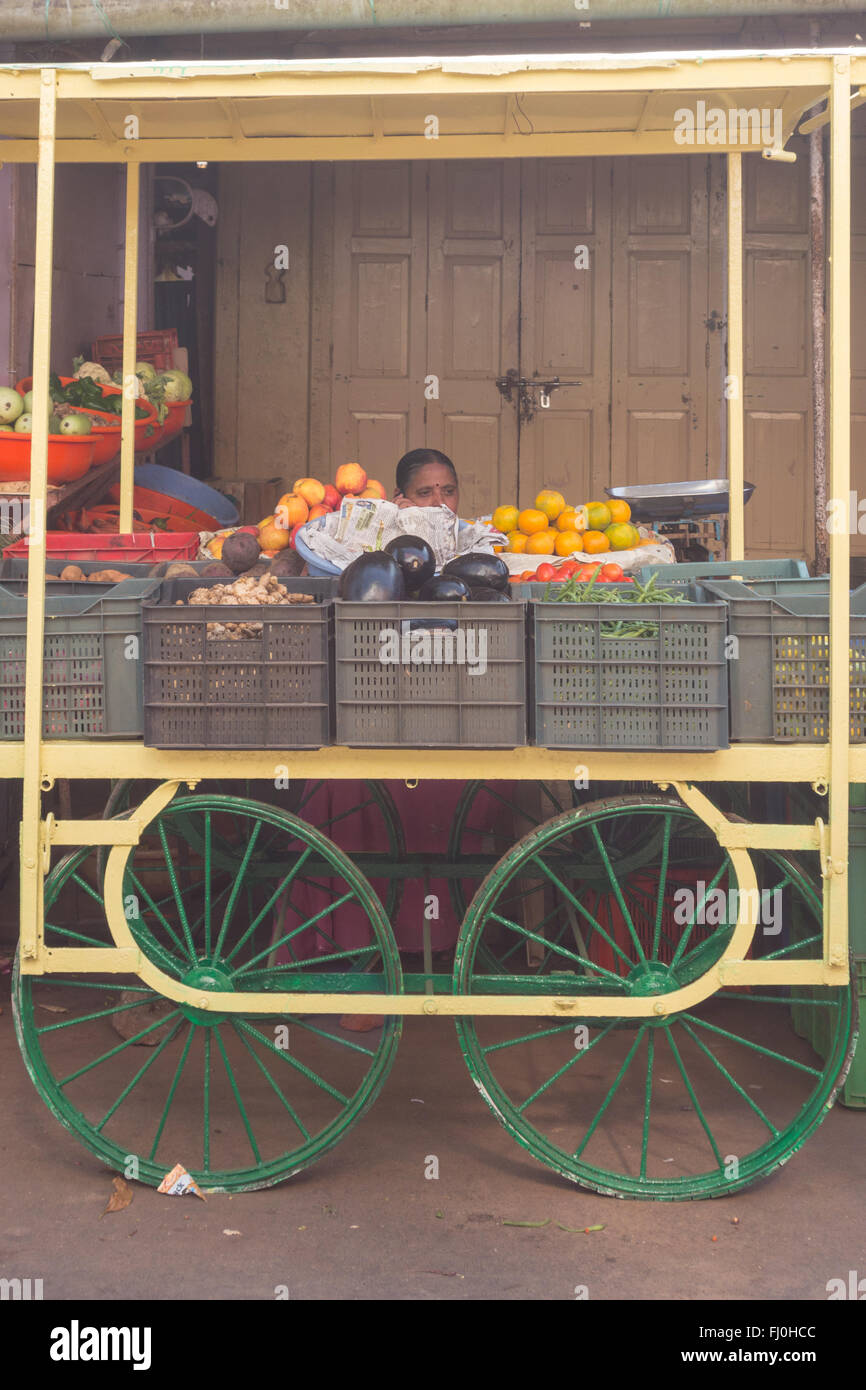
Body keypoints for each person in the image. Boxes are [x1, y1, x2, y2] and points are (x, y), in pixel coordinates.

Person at [393, 448, 459, 514]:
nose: (440, 504)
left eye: (448, 492)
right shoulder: (385, 523)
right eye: (425, 493)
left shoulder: (467, 524)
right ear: (398, 496)